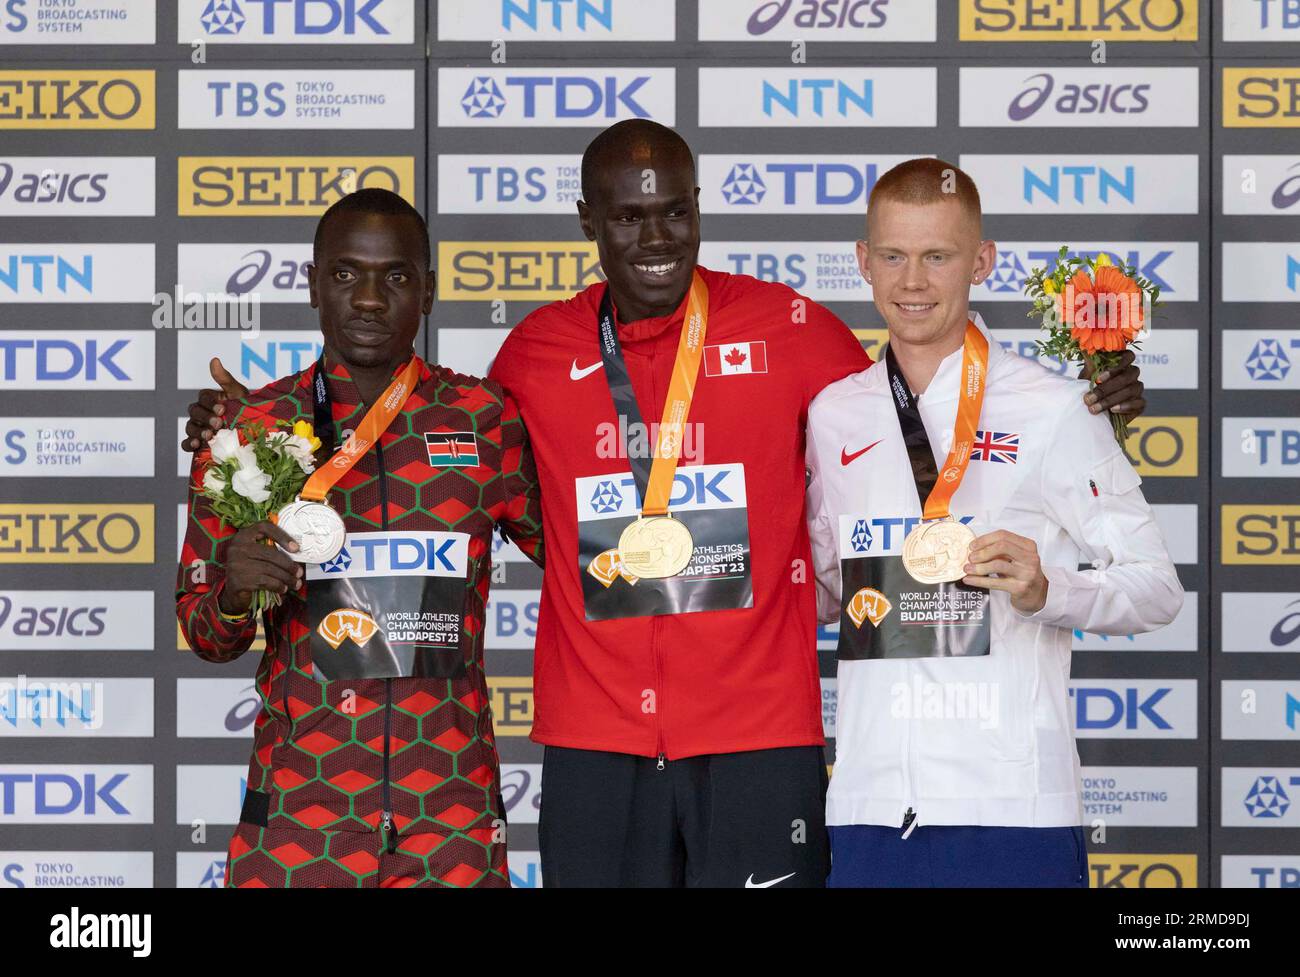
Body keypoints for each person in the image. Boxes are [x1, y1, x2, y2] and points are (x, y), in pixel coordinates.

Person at [184, 121, 1149, 888]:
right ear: (587, 223)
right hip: (582, 741)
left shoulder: (791, 328)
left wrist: (1089, 399)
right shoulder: (522, 359)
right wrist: (238, 434)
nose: (654, 238)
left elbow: (921, 401)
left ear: (697, 211)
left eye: (673, 212)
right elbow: (469, 473)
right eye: (627, 217)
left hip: (754, 734)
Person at [804, 158, 1183, 887]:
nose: (912, 281)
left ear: (982, 261)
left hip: (1013, 808)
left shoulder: (1055, 408)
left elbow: (1157, 589)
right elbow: (823, 588)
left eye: (937, 256)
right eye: (892, 255)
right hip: (868, 804)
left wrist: (1049, 590)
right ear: (862, 261)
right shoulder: (834, 412)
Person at [176, 188, 543, 888]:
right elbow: (203, 630)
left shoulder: (484, 418)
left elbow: (584, 560)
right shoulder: (250, 430)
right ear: (313, 285)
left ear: (429, 291)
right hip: (296, 821)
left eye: (396, 276)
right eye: (346, 273)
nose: (371, 298)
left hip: (453, 824)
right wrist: (229, 591)